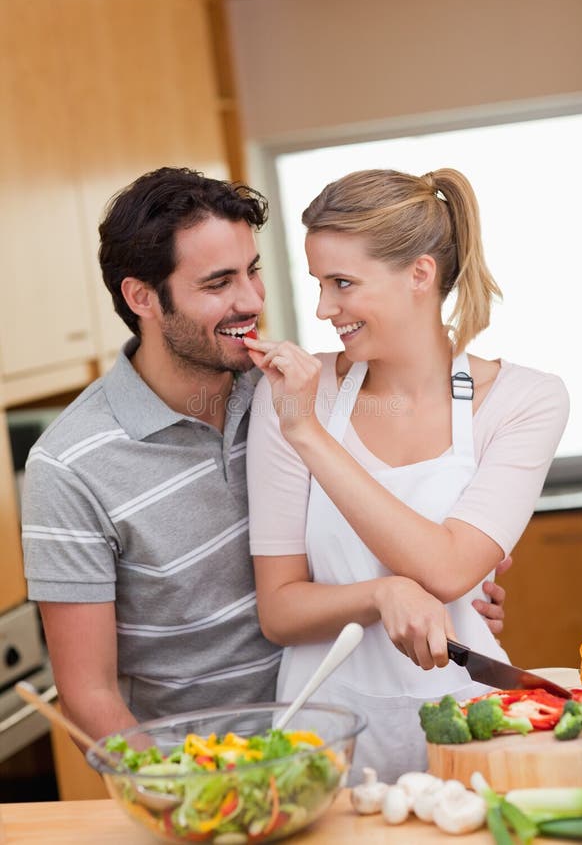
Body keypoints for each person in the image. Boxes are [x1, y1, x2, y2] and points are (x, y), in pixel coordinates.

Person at [21, 166, 507, 742]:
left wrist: (458, 597)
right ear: (142, 297)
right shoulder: (70, 466)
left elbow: (394, 523)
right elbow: (89, 693)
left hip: (333, 737)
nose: (250, 301)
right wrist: (179, 789)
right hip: (203, 766)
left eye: (253, 272)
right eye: (217, 283)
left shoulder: (292, 392)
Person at [245, 167, 569, 782]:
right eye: (318, 283)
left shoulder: (526, 400)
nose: (323, 309)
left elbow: (448, 569)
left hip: (472, 726)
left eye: (343, 283)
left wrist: (310, 435)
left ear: (420, 274)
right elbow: (280, 611)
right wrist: (380, 593)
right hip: (323, 737)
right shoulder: (291, 394)